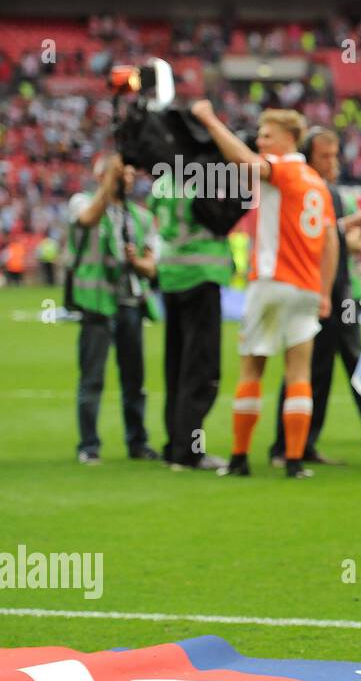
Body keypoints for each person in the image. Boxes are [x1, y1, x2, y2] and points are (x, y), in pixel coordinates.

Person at [191, 102, 339, 479]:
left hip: (272, 282)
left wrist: (210, 119)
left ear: (290, 138)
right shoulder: (317, 184)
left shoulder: (284, 169)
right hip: (306, 288)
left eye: (267, 135)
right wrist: (324, 291)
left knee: (252, 369)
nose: (259, 141)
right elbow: (329, 241)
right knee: (299, 374)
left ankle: (240, 458)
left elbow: (245, 162)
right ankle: (293, 461)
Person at [269, 128, 361, 467]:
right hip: (312, 292)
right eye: (325, 156)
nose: (332, 162)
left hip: (337, 293)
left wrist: (353, 230)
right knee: (301, 370)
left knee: (320, 372)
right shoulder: (302, 190)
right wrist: (347, 224)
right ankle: (283, 446)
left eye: (335, 155)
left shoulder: (330, 192)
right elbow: (313, 236)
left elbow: (335, 241)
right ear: (308, 157)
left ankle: (305, 443)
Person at [152, 119, 235, 472]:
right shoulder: (204, 177)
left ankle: (175, 445)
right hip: (202, 276)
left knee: (176, 366)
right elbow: (221, 214)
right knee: (200, 370)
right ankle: (189, 451)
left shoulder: (164, 179)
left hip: (171, 276)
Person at [68, 153, 160, 464]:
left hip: (131, 303)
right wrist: (110, 179)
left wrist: (139, 262)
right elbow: (88, 219)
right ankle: (88, 445)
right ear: (101, 176)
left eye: (130, 174)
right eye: (121, 173)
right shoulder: (82, 202)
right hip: (97, 303)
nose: (127, 179)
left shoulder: (142, 216)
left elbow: (152, 265)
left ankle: (137, 442)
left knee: (134, 380)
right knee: (92, 378)